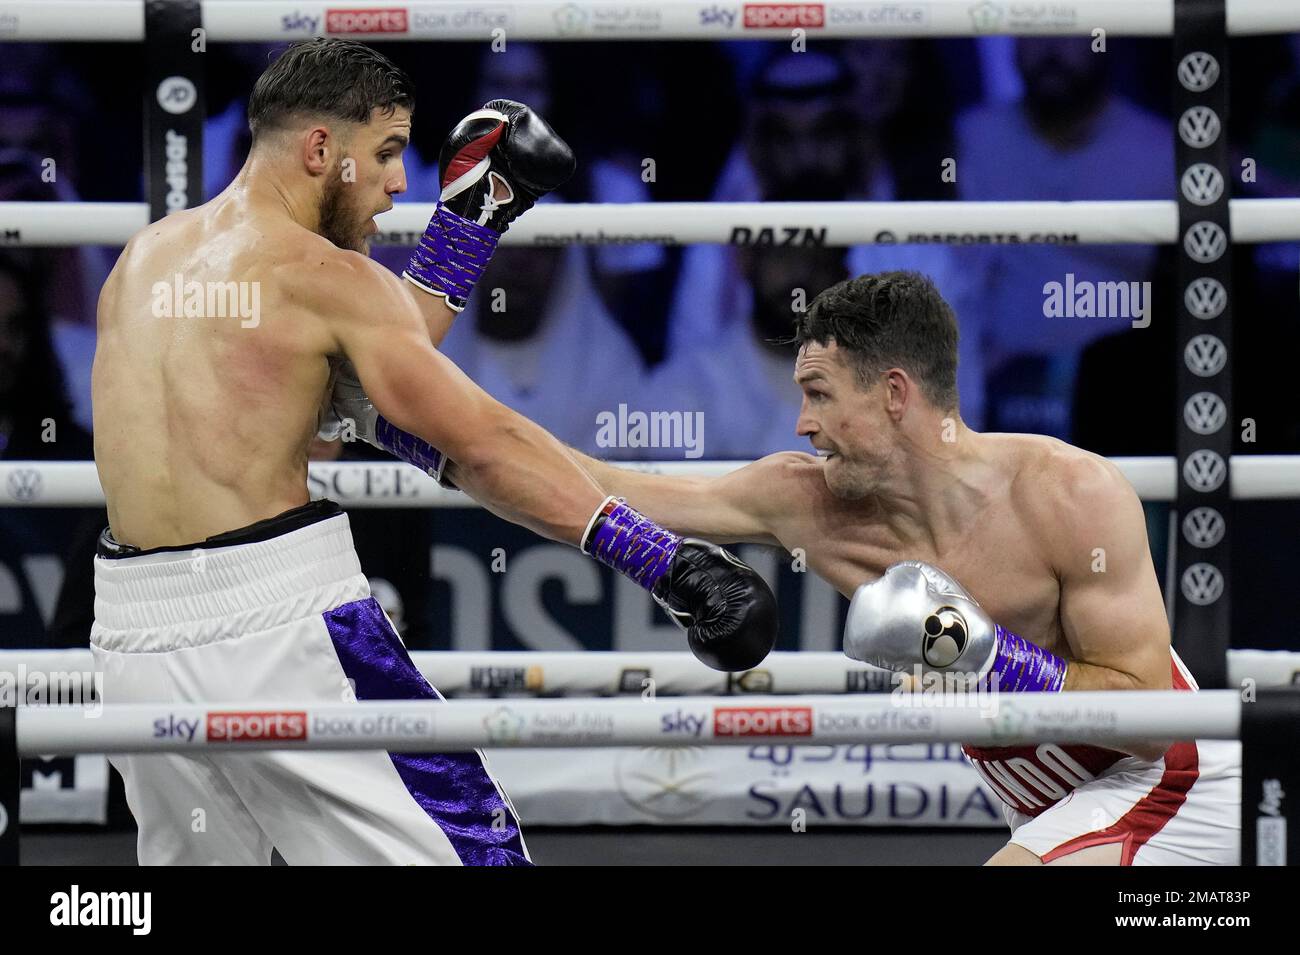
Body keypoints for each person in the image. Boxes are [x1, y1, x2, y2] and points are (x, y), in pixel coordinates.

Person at [91, 38, 776, 866]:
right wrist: (667, 563)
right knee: (473, 856)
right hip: (277, 627)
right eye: (383, 152)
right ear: (319, 150)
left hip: (131, 634)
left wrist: (470, 222)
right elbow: (476, 440)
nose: (398, 180)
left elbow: (326, 411)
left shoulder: (142, 263)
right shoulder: (327, 277)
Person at [547, 271, 1240, 866]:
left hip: (1169, 781)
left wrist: (986, 655)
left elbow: (1151, 719)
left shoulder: (1068, 492)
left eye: (819, 394)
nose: (801, 424)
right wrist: (455, 441)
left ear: (894, 393)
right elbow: (610, 485)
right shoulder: (807, 502)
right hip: (1052, 810)